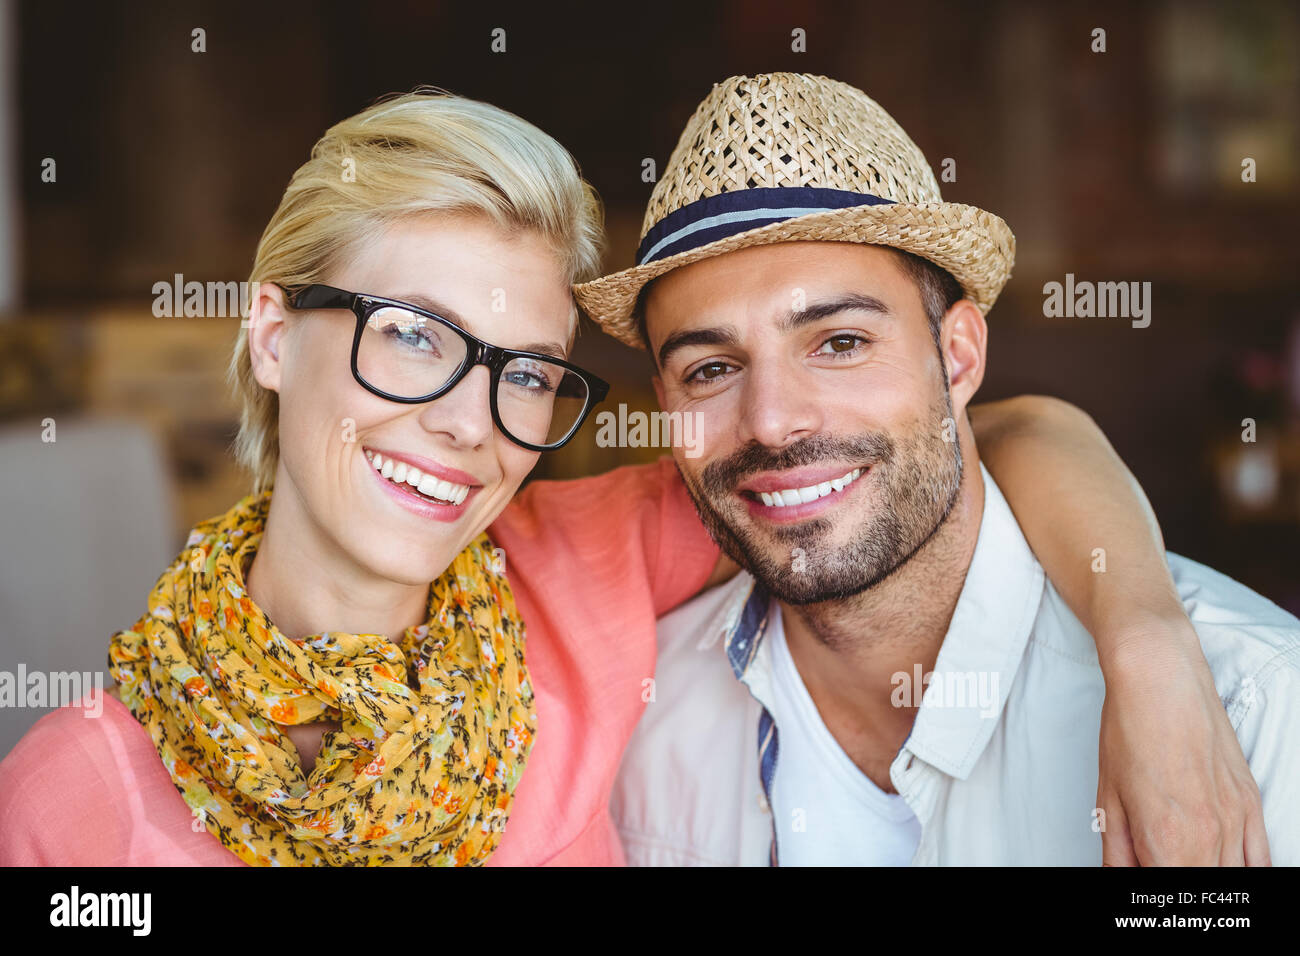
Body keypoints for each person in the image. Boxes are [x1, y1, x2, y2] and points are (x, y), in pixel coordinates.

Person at [0, 87, 1266, 866]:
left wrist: (1147, 643)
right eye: (412, 333)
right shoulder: (78, 792)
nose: (463, 422)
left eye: (525, 369)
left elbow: (966, 445)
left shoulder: (574, 567)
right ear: (274, 333)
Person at [574, 72, 1300, 865]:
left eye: (840, 343)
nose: (773, 422)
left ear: (957, 360)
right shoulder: (630, 721)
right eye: (710, 369)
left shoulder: (1252, 709)